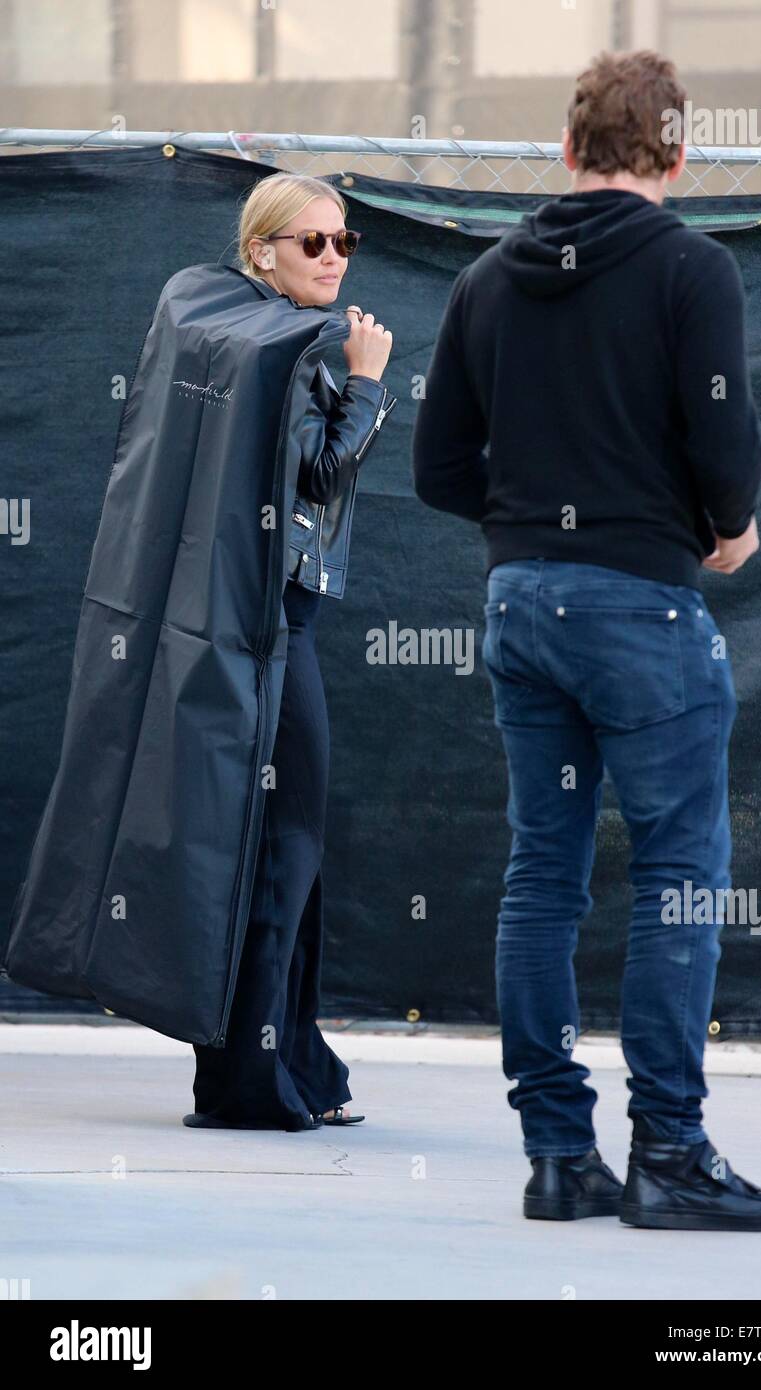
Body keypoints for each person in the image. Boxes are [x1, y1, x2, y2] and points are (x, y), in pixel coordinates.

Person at [412, 51, 761, 1230]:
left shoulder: (487, 277)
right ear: (681, 154)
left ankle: (555, 1155)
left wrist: (538, 529)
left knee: (545, 872)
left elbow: (439, 469)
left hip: (523, 603)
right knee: (680, 878)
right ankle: (671, 1156)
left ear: (568, 148)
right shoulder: (695, 269)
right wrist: (722, 531)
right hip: (642, 606)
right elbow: (726, 452)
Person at [184, 173, 396, 1132]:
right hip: (273, 630)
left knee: (281, 851)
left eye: (344, 242)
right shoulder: (293, 343)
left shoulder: (229, 329)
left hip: (251, 625)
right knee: (284, 849)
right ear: (261, 248)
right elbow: (318, 473)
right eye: (313, 243)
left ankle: (293, 1060)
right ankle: (248, 1079)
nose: (334, 259)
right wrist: (367, 384)